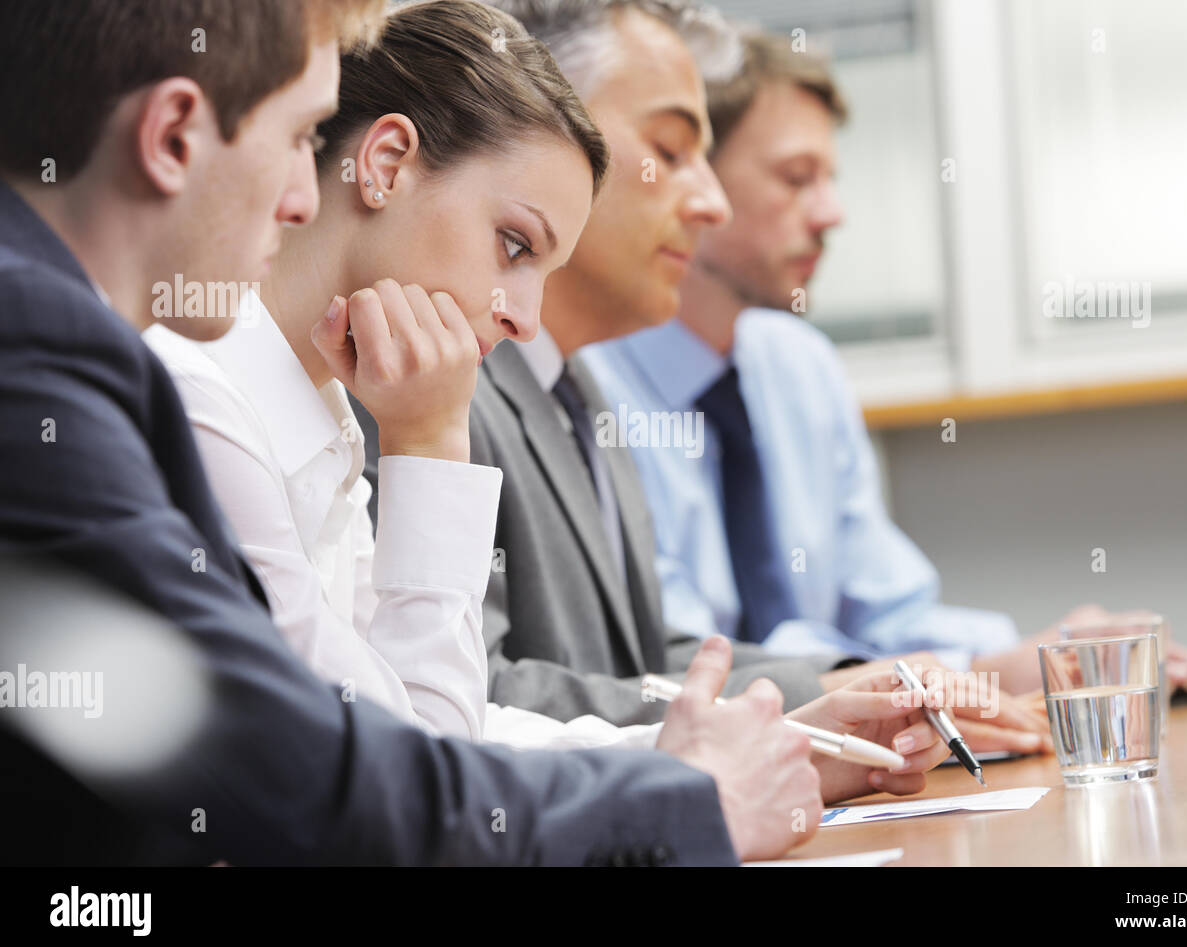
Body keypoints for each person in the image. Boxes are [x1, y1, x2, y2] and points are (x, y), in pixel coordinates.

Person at [0, 0, 825, 865]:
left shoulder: (308, 409)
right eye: (298, 139)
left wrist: (726, 769)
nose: (297, 195)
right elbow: (341, 784)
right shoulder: (111, 362)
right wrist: (686, 803)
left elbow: (421, 750)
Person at [147, 0, 954, 807]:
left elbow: (459, 729)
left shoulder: (323, 412)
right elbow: (412, 775)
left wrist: (781, 751)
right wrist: (428, 442)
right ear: (386, 162)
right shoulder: (205, 405)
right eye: (514, 245)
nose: (525, 316)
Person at [346, 0, 1054, 759]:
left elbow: (642, 657)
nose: (709, 203)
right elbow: (478, 697)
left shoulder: (574, 383)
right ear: (554, 122)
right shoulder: (424, 378)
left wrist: (848, 687)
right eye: (671, 150)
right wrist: (802, 717)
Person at [583, 31, 1187, 695]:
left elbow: (885, 610)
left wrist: (1030, 656)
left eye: (830, 179)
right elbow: (675, 656)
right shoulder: (587, 383)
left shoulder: (799, 367)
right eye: (797, 179)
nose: (832, 213)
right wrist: (953, 676)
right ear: (693, 174)